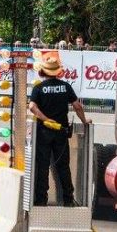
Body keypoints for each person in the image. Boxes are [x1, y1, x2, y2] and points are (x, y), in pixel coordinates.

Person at [28, 55, 91, 206]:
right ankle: (68, 200)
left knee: (42, 166)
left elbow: (32, 106)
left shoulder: (39, 88)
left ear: (43, 71)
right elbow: (77, 106)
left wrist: (45, 119)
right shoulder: (65, 86)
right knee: (63, 166)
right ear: (57, 72)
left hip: (43, 132)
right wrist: (84, 121)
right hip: (61, 132)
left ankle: (41, 200)